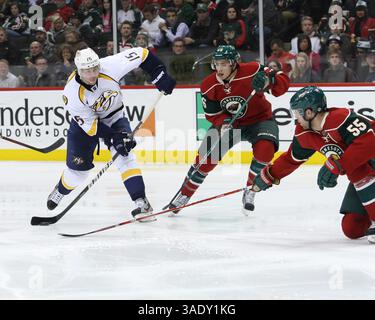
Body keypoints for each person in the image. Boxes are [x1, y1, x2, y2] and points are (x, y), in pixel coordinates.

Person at [46, 47, 176, 220]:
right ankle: (60, 190)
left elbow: (143, 54)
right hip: (85, 127)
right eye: (87, 71)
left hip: (115, 117)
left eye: (95, 69)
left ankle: (141, 203)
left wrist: (159, 75)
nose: (92, 74)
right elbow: (93, 127)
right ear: (78, 69)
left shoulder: (110, 66)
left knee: (125, 155)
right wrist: (115, 137)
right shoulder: (71, 93)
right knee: (78, 174)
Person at [166, 45, 290, 215]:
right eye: (217, 64)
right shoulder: (208, 85)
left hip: (260, 120)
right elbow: (211, 113)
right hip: (231, 124)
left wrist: (270, 81)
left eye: (224, 64)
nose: (219, 68)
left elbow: (283, 81)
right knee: (204, 159)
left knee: (266, 150)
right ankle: (184, 194)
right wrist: (222, 122)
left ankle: (250, 190)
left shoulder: (253, 69)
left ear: (233, 63)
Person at [252, 86, 375, 243]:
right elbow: (291, 159)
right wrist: (268, 175)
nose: (296, 119)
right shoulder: (304, 133)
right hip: (366, 173)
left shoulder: (340, 118)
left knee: (356, 170)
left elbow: (370, 143)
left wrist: (337, 165)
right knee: (352, 228)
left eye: (297, 113)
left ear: (309, 112)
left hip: (368, 165)